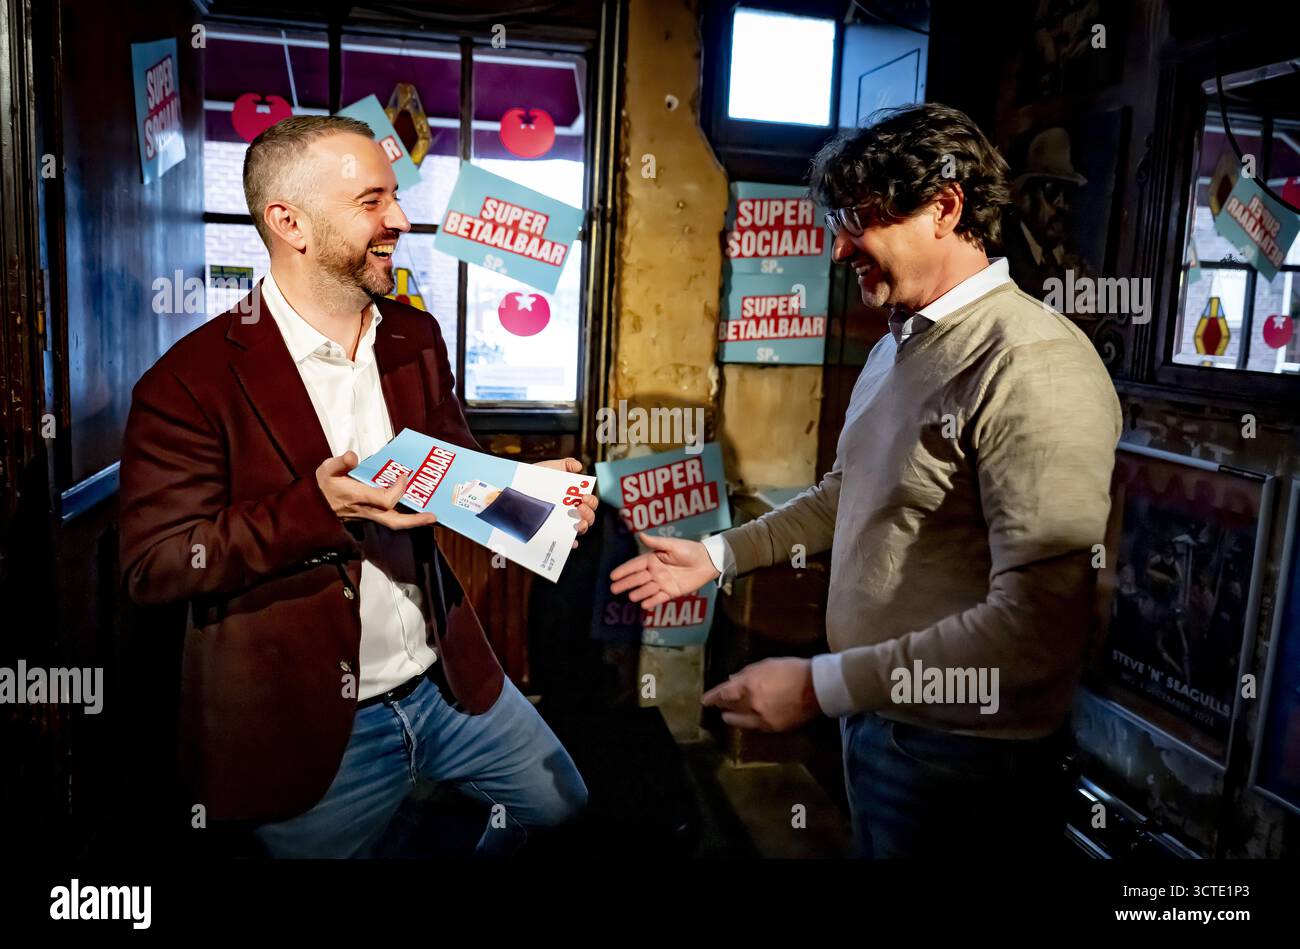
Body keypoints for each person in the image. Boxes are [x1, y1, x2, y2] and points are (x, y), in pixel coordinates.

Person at [610, 103, 1122, 858]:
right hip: (886, 724)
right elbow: (848, 494)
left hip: (964, 754)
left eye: (861, 217)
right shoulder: (900, 343)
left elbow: (1037, 629)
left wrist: (822, 685)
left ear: (945, 207)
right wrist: (717, 556)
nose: (841, 243)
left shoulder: (1032, 364)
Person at [119, 115, 593, 858]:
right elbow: (155, 564)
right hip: (305, 724)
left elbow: (451, 465)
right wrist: (318, 508)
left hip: (448, 680)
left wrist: (524, 490)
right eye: (372, 201)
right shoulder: (187, 380)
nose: (400, 220)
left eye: (395, 197)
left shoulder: (416, 336)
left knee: (559, 806)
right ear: (290, 223)